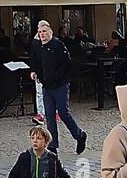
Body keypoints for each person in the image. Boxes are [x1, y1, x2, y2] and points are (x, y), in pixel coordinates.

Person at [28, 20, 87, 156]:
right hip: (46, 86)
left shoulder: (57, 44)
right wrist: (33, 71)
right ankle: (53, 147)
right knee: (50, 117)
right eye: (40, 32)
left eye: (45, 32)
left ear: (50, 32)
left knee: (63, 113)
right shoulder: (37, 47)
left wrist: (58, 77)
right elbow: (35, 62)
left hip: (60, 85)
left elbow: (67, 64)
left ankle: (80, 136)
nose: (42, 34)